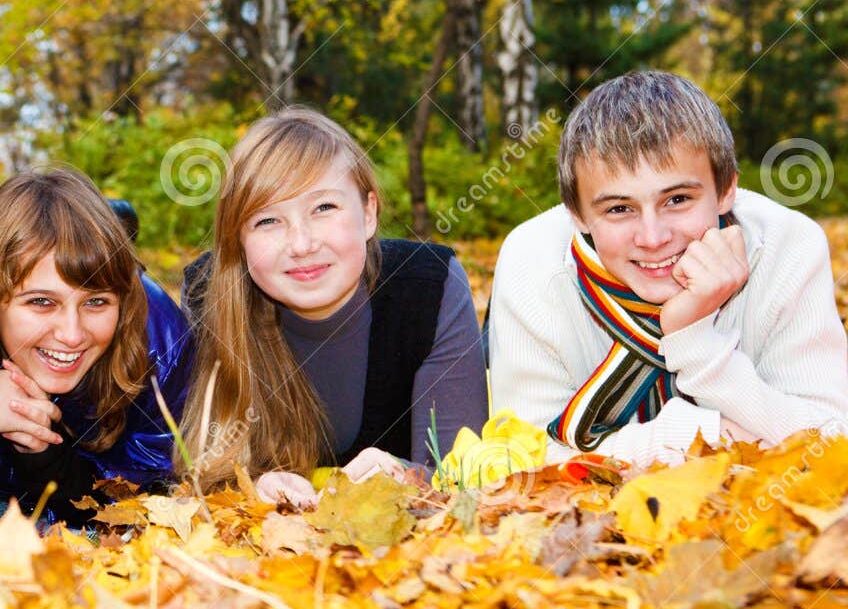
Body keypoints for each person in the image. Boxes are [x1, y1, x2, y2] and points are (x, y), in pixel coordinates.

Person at [488, 69, 848, 464]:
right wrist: (705, 436)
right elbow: (521, 461)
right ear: (576, 214)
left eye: (677, 199)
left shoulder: (786, 245)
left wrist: (697, 345)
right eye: (619, 208)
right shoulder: (532, 260)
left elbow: (832, 440)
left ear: (727, 188)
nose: (653, 237)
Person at [179, 107, 487, 506]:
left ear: (369, 213)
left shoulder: (427, 288)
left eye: (324, 208)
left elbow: (465, 477)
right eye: (267, 221)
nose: (302, 244)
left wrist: (408, 477)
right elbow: (188, 471)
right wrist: (246, 489)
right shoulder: (210, 298)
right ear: (238, 239)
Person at [0, 168, 191, 527]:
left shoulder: (161, 340)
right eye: (42, 302)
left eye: (96, 303)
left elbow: (143, 504)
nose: (72, 334)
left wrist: (47, 454)